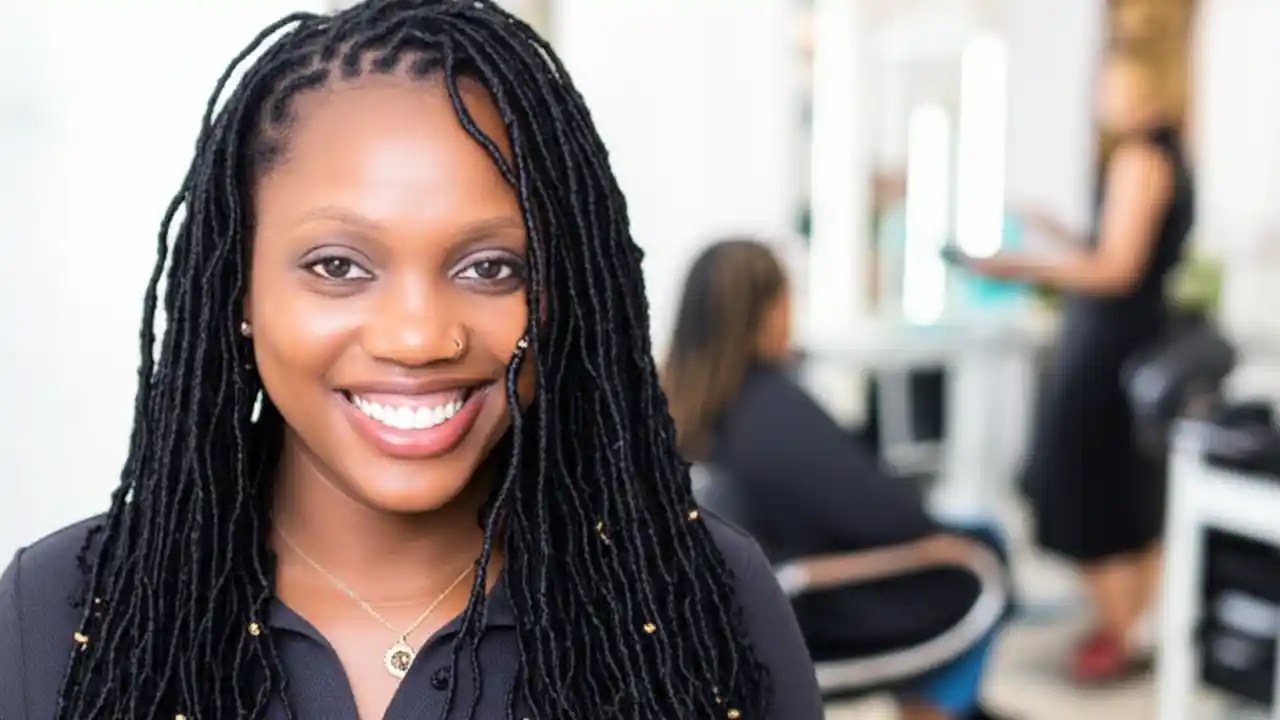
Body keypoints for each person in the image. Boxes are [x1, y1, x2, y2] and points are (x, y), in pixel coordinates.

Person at [0, 3, 823, 719]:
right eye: (337, 266)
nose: (420, 336)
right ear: (238, 289)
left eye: (490, 268)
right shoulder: (61, 609)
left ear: (561, 292)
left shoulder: (699, 595)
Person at [663, 239, 1013, 720]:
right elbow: (893, 517)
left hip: (746, 610)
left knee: (960, 540)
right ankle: (943, 709)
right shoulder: (771, 406)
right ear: (767, 312)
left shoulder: (675, 406)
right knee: (982, 547)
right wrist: (923, 541)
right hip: (808, 610)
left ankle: (944, 705)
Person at [955, 47, 1194, 683]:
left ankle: (1122, 636)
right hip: (1136, 342)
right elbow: (1124, 253)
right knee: (1127, 491)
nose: (1102, 100)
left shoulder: (1138, 158)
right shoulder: (1170, 156)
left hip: (1106, 350)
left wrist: (1016, 265)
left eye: (1112, 87)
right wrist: (1060, 233)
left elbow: (1116, 271)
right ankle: (1128, 629)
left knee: (1082, 487)